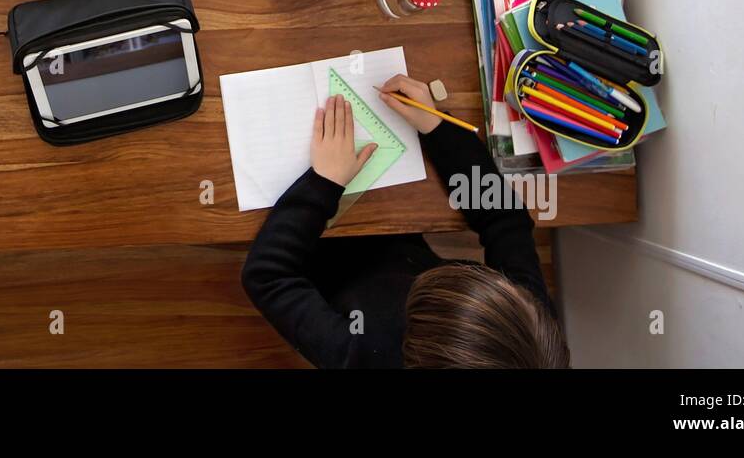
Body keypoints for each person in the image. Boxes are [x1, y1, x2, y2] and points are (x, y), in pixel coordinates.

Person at [241, 74, 570, 368]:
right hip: (398, 248)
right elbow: (505, 220)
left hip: (319, 266)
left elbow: (267, 276)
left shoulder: (367, 354)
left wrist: (324, 182)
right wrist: (438, 128)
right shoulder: (526, 329)